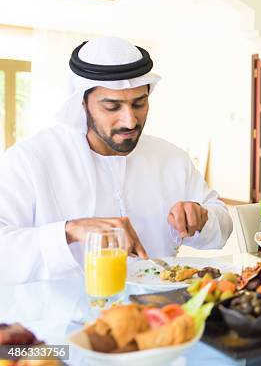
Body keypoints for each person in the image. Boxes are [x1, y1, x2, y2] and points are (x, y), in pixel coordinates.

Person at [0, 37, 232, 284]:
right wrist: (69, 231)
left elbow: (222, 226)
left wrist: (202, 215)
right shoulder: (30, 159)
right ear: (82, 103)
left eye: (139, 104)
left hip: (161, 314)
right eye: (112, 107)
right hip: (60, 317)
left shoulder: (171, 158)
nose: (130, 121)